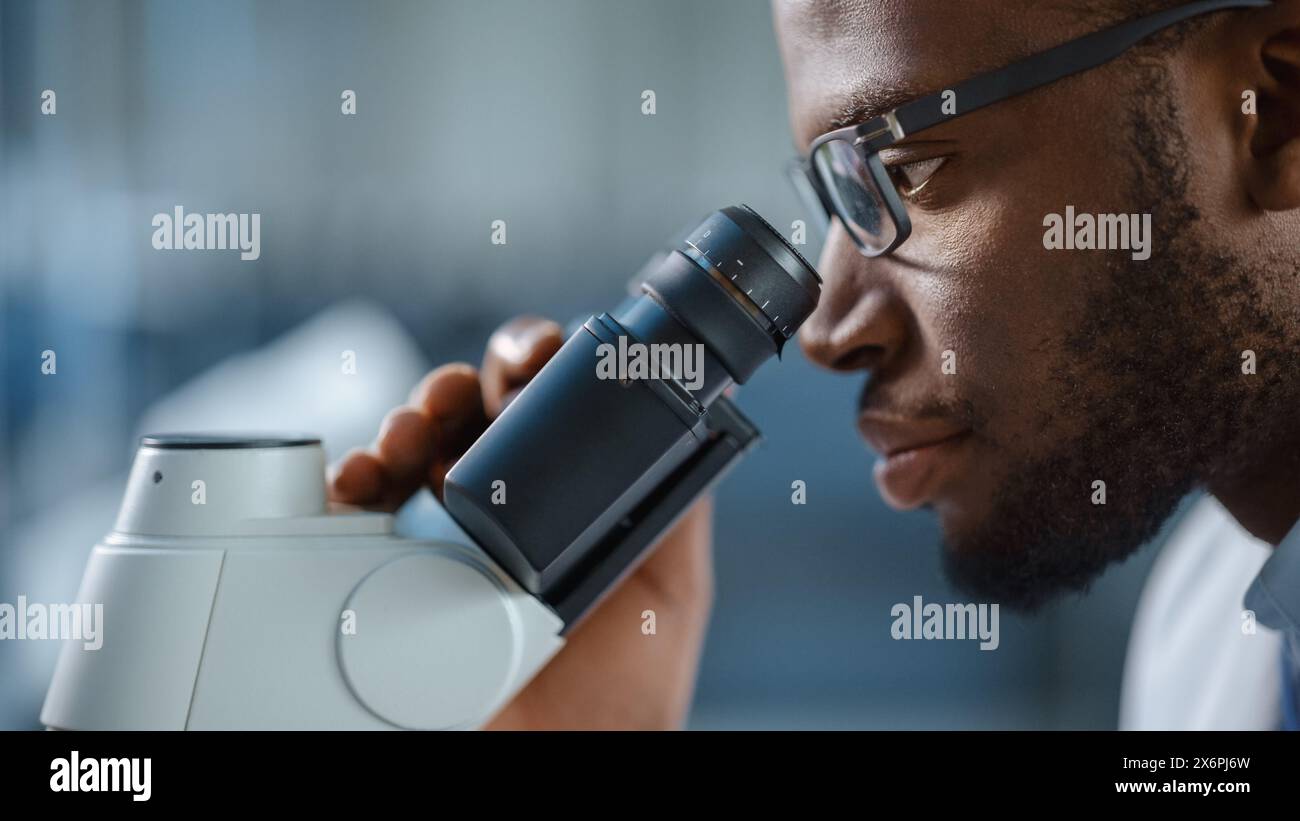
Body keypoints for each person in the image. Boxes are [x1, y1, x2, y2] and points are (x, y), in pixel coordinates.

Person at [330, 0, 1300, 729]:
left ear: (1274, 108)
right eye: (836, 197)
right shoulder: (1207, 635)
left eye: (911, 171)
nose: (828, 326)